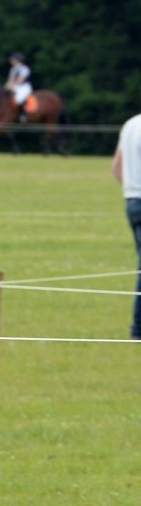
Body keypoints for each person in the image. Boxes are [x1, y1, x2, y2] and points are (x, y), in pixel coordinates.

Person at [114, 112, 141, 340]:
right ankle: (138, 328)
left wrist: (133, 189)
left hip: (131, 202)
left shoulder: (130, 123)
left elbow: (116, 168)